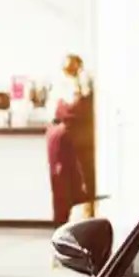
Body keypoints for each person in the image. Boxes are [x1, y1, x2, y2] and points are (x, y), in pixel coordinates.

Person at [46, 53, 95, 225]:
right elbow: (61, 111)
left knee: (77, 187)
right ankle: (63, 223)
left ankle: (73, 222)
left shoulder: (82, 89)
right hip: (62, 141)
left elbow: (72, 110)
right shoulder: (62, 88)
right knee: (62, 186)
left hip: (73, 142)